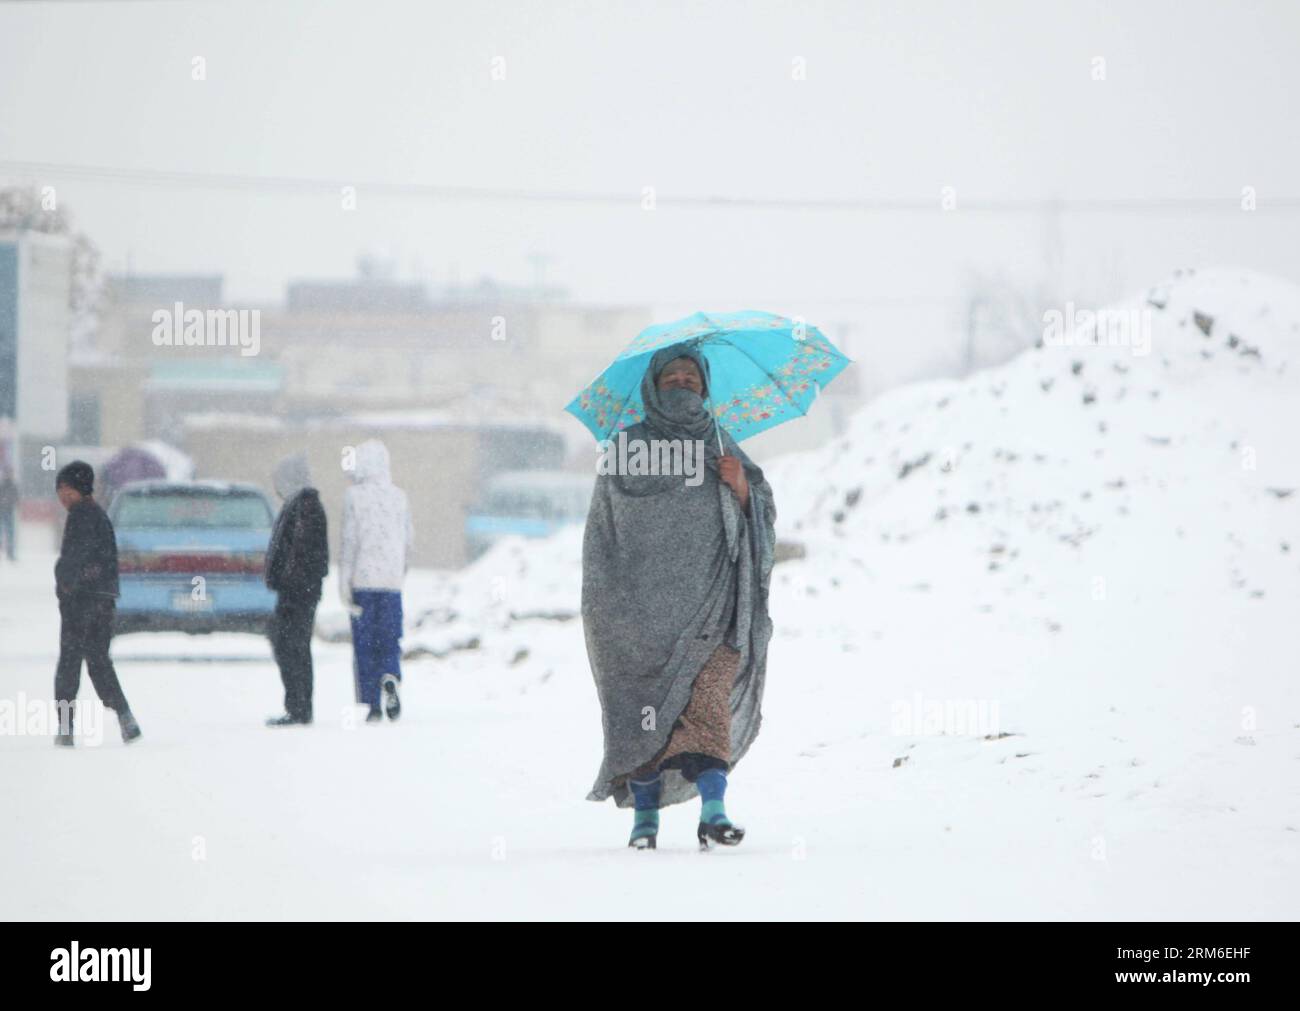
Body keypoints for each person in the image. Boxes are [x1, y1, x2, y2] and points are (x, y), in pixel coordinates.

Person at [582, 343, 777, 849]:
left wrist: (741, 491)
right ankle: (644, 821)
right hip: (637, 616)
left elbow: (763, 512)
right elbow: (606, 530)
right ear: (653, 385)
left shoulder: (723, 443)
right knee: (643, 715)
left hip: (714, 611)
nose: (684, 382)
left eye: (693, 376)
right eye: (673, 375)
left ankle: (714, 811)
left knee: (709, 707)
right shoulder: (625, 449)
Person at [52, 460, 141, 746]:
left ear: (78, 489)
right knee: (99, 661)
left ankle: (65, 729)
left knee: (69, 662)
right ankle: (125, 716)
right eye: (59, 490)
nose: (62, 496)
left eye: (65, 489)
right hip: (103, 601)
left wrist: (65, 580)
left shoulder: (80, 516)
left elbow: (76, 559)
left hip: (81, 601)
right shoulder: (99, 515)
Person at [340, 439, 412, 722]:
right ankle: (390, 675)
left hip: (363, 582)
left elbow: (349, 542)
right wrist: (400, 572)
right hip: (392, 582)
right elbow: (409, 541)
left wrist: (344, 583)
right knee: (390, 636)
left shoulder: (354, 497)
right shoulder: (400, 497)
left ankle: (372, 704)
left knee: (365, 642)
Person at [264, 452, 328, 727]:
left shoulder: (305, 506)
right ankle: (298, 706)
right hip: (297, 589)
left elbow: (300, 552)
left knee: (292, 646)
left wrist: (287, 580)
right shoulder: (299, 504)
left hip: (298, 592)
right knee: (289, 645)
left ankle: (299, 708)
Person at [0, 463, 18, 561]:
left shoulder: (12, 485)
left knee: (9, 533)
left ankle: (10, 554)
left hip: (8, 511)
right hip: (4, 511)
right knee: (7, 533)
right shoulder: (4, 485)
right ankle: (9, 553)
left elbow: (16, 498)